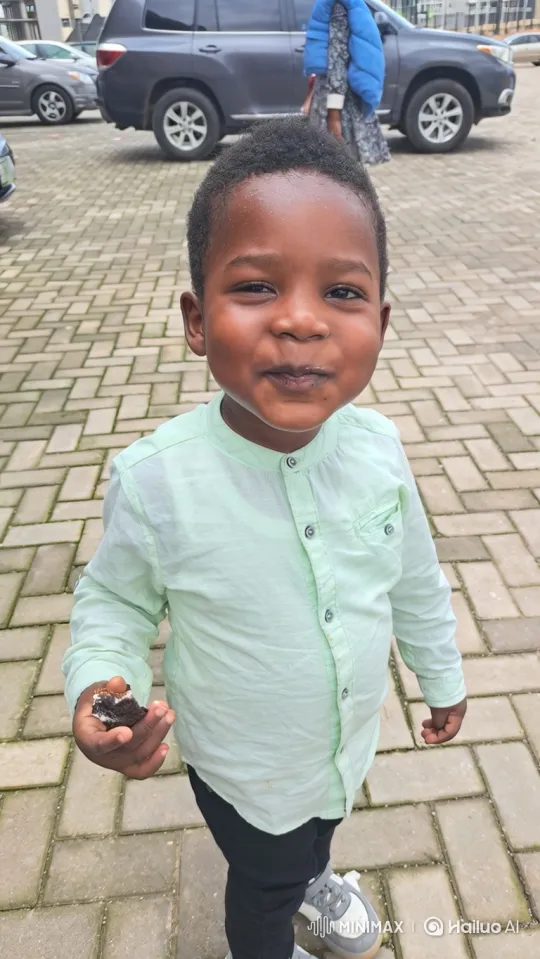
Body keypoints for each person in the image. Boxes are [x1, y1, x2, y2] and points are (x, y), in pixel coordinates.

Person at [63, 118, 466, 959]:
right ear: (197, 319)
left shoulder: (381, 450)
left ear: (381, 321)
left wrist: (442, 676)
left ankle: (311, 872)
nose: (300, 321)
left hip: (342, 747)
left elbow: (415, 577)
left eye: (342, 293)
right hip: (243, 771)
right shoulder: (157, 479)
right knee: (262, 885)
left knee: (313, 836)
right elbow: (114, 600)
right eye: (255, 287)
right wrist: (101, 682)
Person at [305, 1, 390, 166]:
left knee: (337, 165)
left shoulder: (338, 7)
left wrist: (334, 114)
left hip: (337, 100)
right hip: (340, 94)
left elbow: (337, 57)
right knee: (343, 166)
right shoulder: (344, 4)